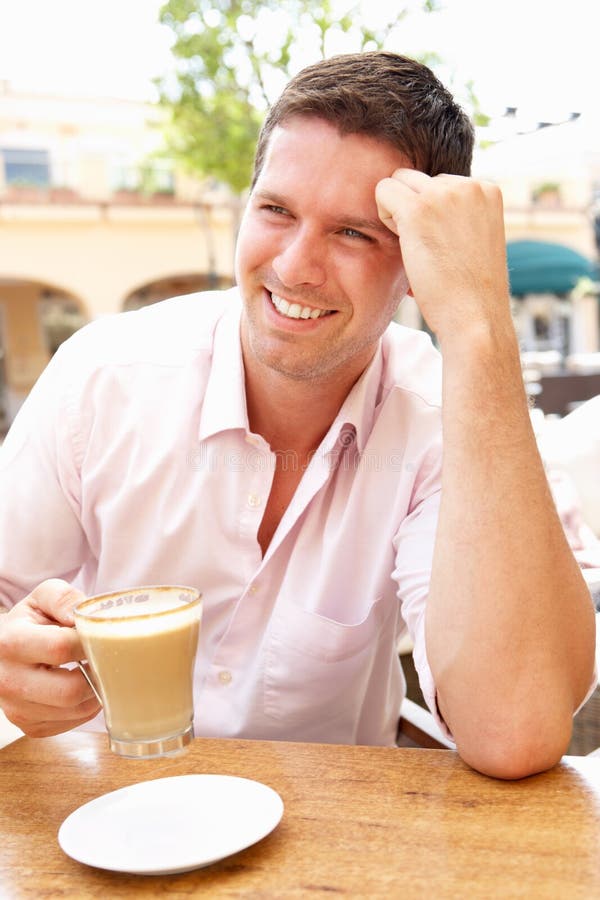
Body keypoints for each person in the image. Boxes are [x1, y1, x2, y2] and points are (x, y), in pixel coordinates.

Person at [0, 52, 595, 779]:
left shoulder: (447, 418)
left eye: (354, 234)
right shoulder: (103, 377)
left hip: (333, 843)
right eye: (276, 211)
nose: (295, 267)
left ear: (417, 263)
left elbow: (515, 730)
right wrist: (14, 662)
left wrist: (478, 327)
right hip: (108, 814)